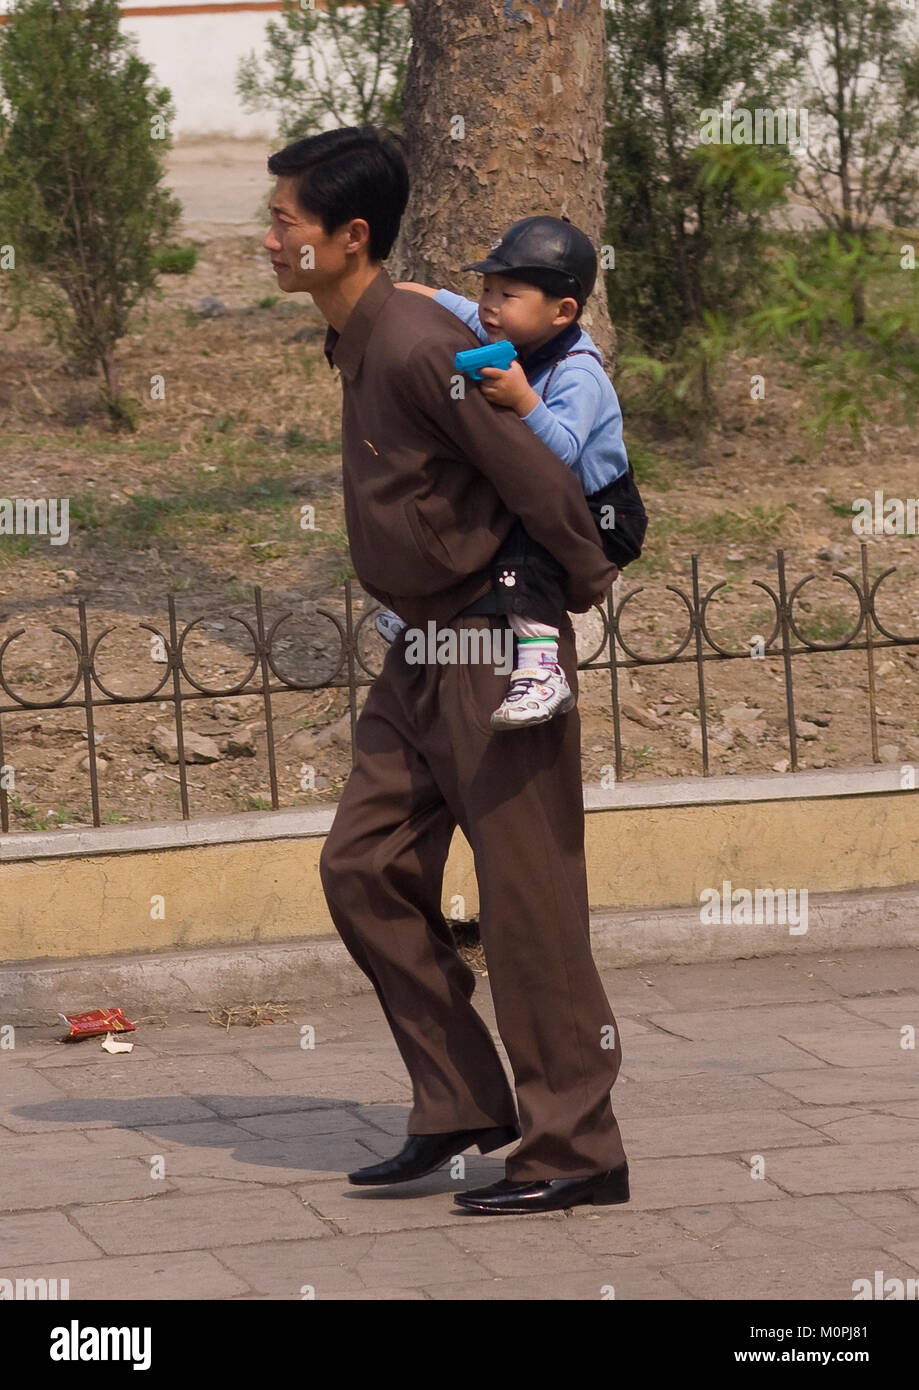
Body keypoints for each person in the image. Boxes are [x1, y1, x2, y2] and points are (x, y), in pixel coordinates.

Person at [263, 125, 630, 1214]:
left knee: (527, 900)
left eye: (284, 221)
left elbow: (543, 481)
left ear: (348, 236)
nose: (269, 238)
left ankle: (577, 1147)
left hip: (494, 635)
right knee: (363, 868)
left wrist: (567, 597)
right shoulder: (360, 336)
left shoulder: (422, 345)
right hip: (420, 647)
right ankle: (464, 1102)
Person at [385, 215, 647, 731]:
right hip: (549, 497)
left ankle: (542, 669)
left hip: (601, 513)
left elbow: (562, 457)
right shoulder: (507, 331)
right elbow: (456, 308)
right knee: (477, 506)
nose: (488, 304)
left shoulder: (578, 372)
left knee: (525, 552)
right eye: (485, 288)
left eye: (507, 294)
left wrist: (525, 400)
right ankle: (429, 609)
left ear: (562, 311)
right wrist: (411, 293)